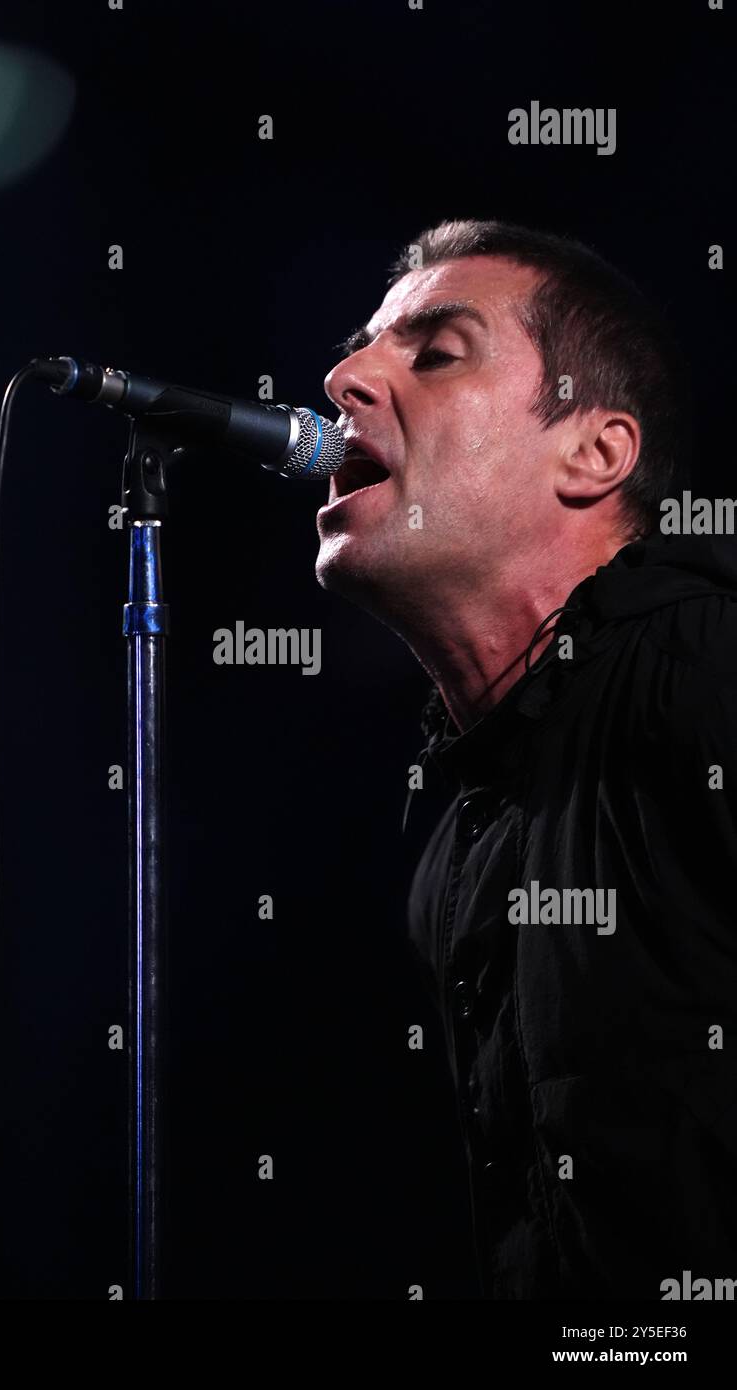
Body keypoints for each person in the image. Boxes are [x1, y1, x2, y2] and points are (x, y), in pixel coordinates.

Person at [315, 219, 737, 1298]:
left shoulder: (702, 668)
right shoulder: (460, 839)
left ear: (594, 453)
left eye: (434, 351)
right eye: (363, 345)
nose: (343, 377)